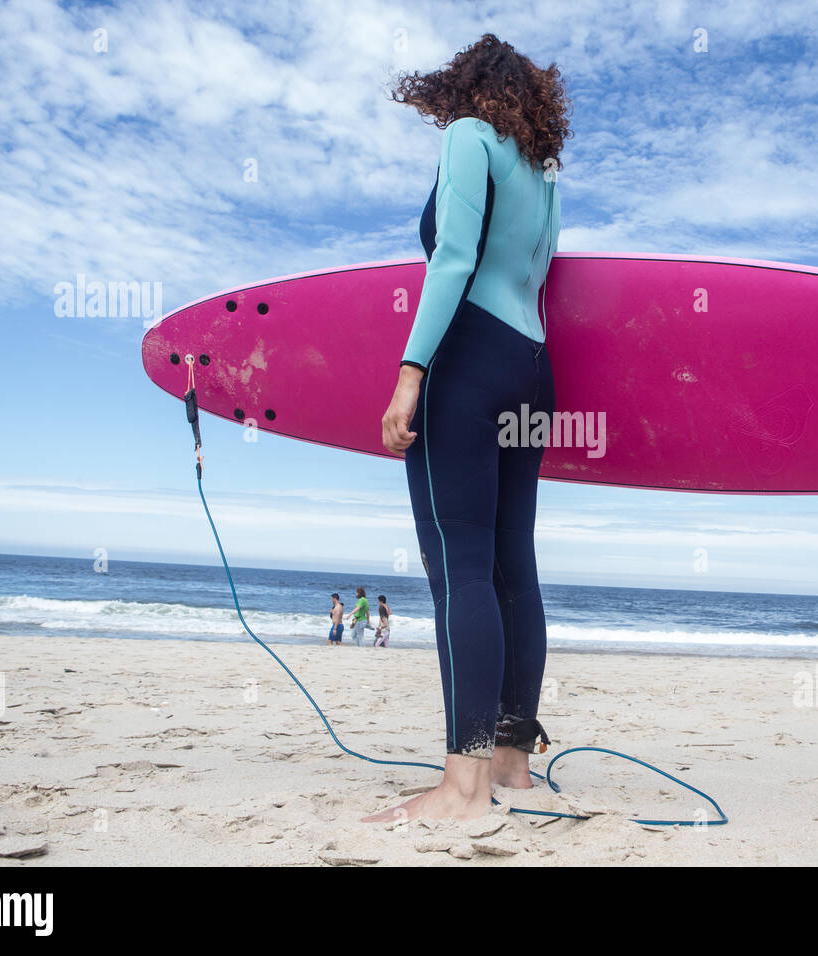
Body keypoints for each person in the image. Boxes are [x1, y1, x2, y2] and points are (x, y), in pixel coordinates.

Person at [368, 34, 569, 823]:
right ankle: (513, 767)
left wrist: (411, 370)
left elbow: (452, 258)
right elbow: (538, 274)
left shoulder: (467, 137)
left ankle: (463, 786)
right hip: (532, 368)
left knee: (462, 569)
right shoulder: (544, 172)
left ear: (462, 86)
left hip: (468, 363)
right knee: (514, 565)